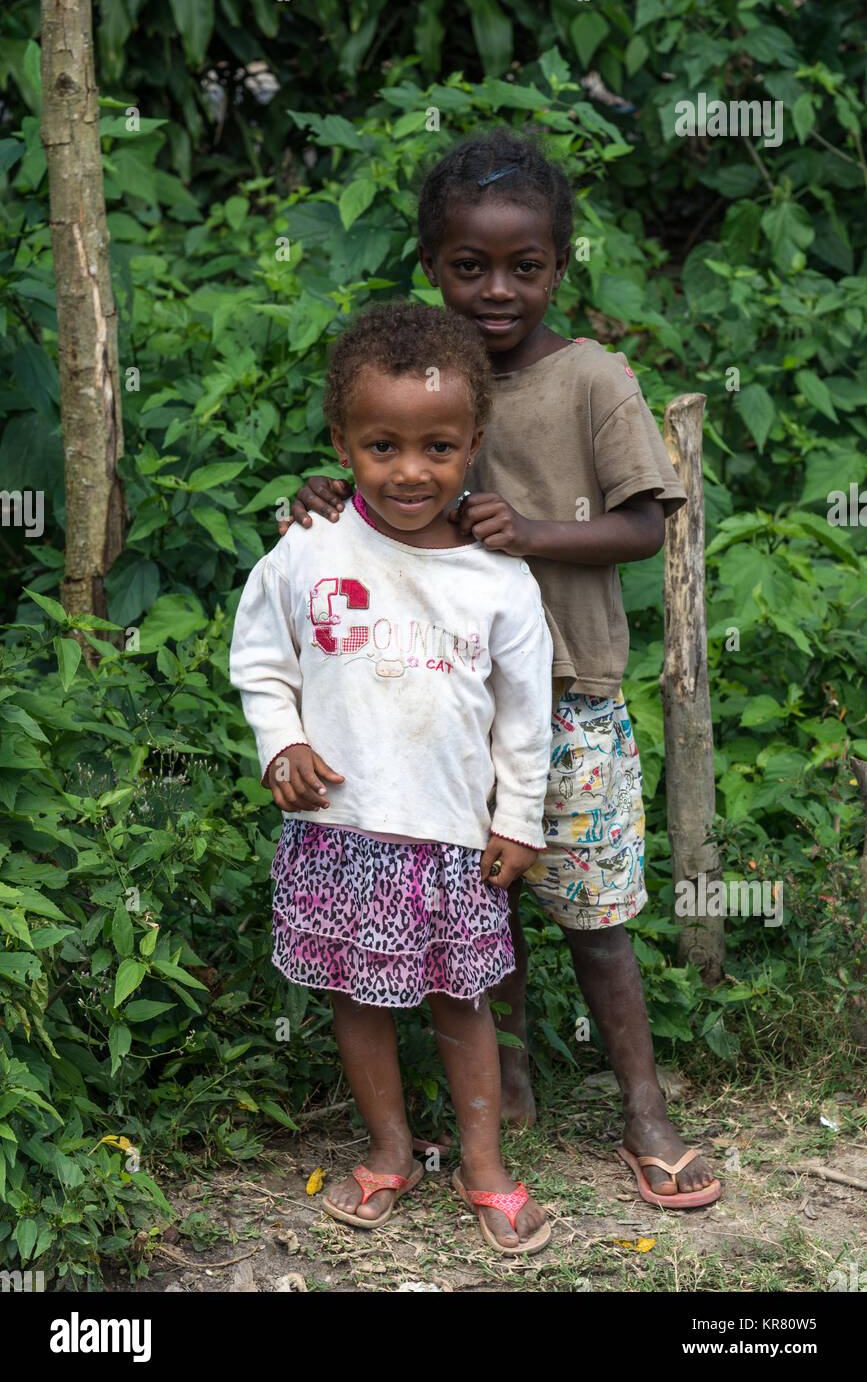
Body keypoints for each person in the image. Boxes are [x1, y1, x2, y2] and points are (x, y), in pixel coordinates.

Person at [284, 128, 721, 1207]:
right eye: (469, 266)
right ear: (432, 264)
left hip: (571, 705)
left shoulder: (591, 380)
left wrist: (524, 530)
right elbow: (383, 473)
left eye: (524, 266)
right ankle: (508, 1089)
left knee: (597, 918)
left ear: (558, 266)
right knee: (485, 913)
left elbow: (639, 527)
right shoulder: (427, 383)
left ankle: (643, 1107)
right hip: (445, 711)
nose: (496, 289)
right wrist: (322, 500)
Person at [230, 301, 555, 1253]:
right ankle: (389, 1152)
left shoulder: (498, 579)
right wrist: (280, 744)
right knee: (357, 1002)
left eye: (438, 447)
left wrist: (521, 817)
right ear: (341, 441)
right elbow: (262, 660)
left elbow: (526, 716)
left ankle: (486, 1167)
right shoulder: (310, 548)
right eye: (381, 446)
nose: (410, 471)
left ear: (474, 443)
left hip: (453, 838)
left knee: (463, 1002)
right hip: (341, 826)